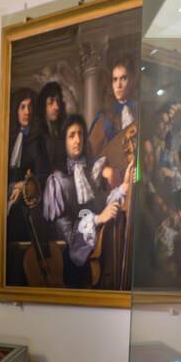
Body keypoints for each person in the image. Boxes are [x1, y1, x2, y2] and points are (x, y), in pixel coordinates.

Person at [43, 114, 125, 288]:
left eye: (80, 134)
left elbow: (104, 206)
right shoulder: (57, 182)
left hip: (94, 250)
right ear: (63, 141)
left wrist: (124, 187)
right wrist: (97, 219)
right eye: (72, 135)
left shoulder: (91, 174)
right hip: (70, 260)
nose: (77, 140)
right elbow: (67, 237)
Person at [88, 56, 138, 160]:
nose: (118, 85)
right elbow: (91, 152)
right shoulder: (104, 117)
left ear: (132, 80)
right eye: (115, 79)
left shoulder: (138, 110)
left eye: (124, 78)